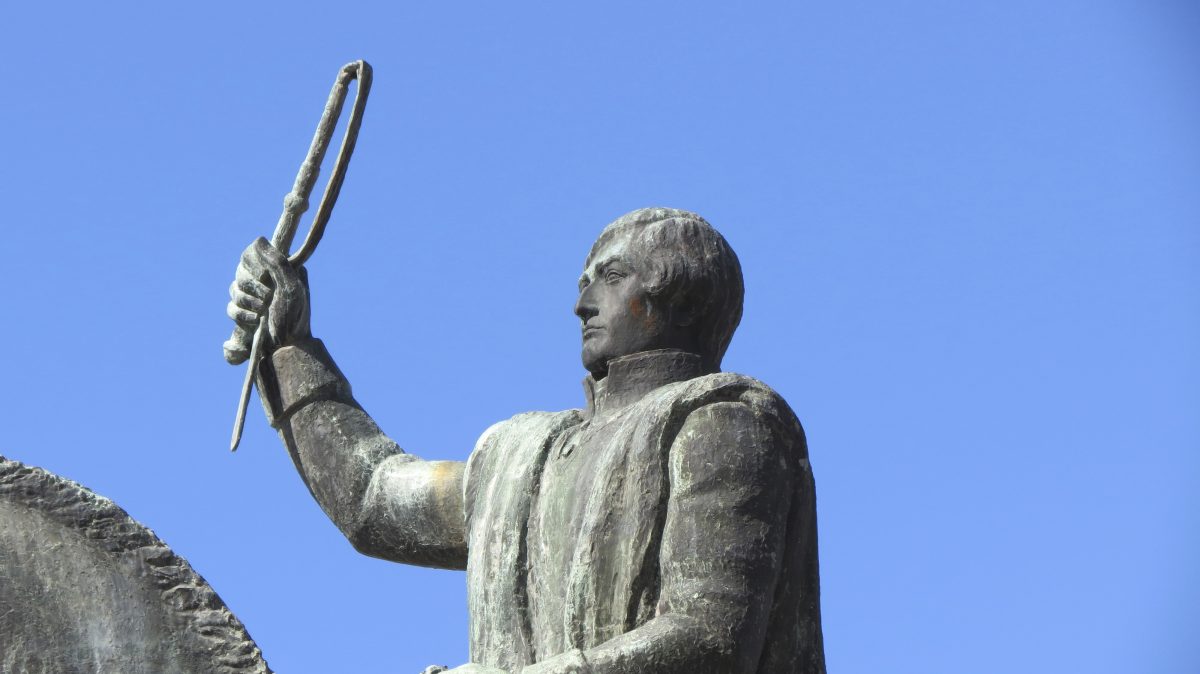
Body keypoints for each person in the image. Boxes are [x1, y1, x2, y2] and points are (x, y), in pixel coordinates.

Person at [224, 207, 825, 674]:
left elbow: (711, 637)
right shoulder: (520, 452)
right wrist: (290, 348)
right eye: (585, 281)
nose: (581, 303)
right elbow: (372, 500)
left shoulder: (723, 421)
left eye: (613, 278)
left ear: (687, 301)